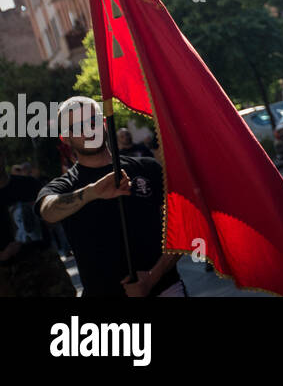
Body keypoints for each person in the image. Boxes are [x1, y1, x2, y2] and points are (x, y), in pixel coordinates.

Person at [36, 97, 185, 297]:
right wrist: (92, 192)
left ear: (104, 123)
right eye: (78, 126)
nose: (89, 130)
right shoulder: (65, 186)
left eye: (93, 121)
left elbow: (182, 229)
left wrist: (152, 277)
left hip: (166, 289)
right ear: (65, 137)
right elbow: (47, 210)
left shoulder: (147, 168)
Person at [0, 149, 75, 296]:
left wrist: (47, 216)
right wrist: (2, 255)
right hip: (11, 272)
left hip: (45, 261)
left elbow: (52, 217)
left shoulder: (28, 184)